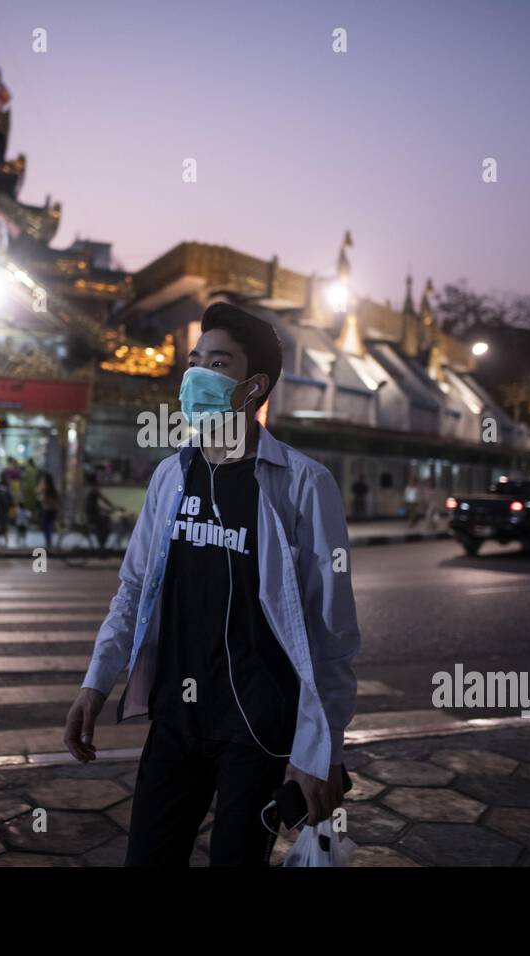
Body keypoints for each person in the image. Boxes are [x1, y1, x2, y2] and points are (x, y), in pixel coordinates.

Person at [63, 301, 361, 867]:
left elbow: (332, 632)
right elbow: (133, 589)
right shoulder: (171, 475)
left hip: (258, 726)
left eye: (216, 363)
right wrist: (95, 683)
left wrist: (321, 750)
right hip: (178, 717)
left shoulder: (303, 486)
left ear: (253, 388)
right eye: (194, 359)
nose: (195, 374)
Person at [83, 471, 117, 554]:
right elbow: (104, 500)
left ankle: (101, 545)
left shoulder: (90, 489)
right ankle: (101, 546)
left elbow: (96, 505)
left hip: (91, 513)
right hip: (92, 514)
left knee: (105, 521)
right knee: (104, 526)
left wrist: (109, 509)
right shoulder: (94, 489)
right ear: (95, 481)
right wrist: (113, 507)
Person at [37, 471, 60, 550]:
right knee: (48, 526)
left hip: (48, 509)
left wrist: (41, 484)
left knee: (46, 526)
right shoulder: (53, 488)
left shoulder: (46, 488)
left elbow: (37, 491)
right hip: (52, 509)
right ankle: (49, 542)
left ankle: (48, 542)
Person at [0, 476, 13, 548]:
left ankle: (2, 536)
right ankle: (3, 536)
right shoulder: (6, 486)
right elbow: (10, 496)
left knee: (1, 522)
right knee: (3, 522)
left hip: (1, 507)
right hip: (3, 507)